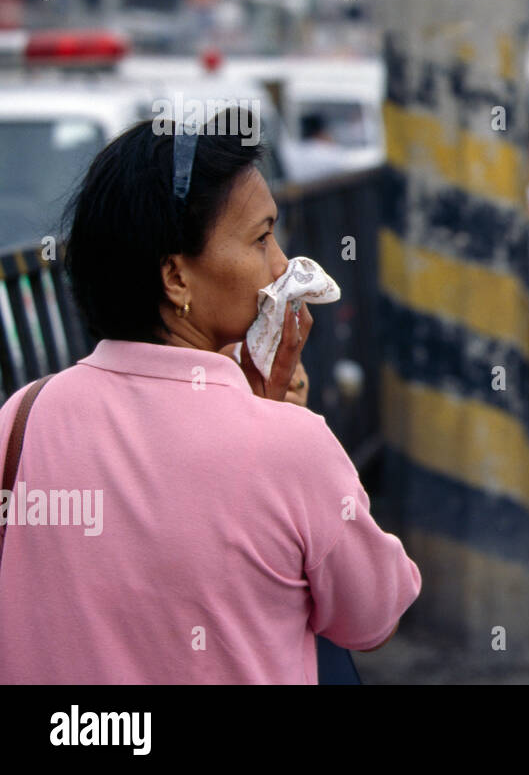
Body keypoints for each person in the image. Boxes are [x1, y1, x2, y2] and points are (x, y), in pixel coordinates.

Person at [0, 108, 421, 684]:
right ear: (175, 278)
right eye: (262, 238)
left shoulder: (21, 417)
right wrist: (275, 423)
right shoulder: (290, 445)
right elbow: (375, 615)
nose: (281, 267)